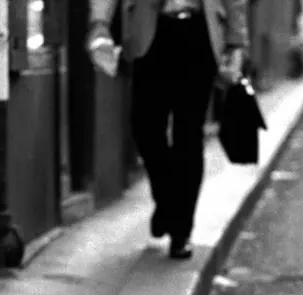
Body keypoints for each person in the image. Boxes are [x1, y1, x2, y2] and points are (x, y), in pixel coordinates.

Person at [87, 0, 249, 260]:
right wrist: (99, 23)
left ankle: (181, 232)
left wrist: (237, 45)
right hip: (151, 32)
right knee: (144, 127)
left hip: (200, 34)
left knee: (189, 135)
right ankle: (167, 202)